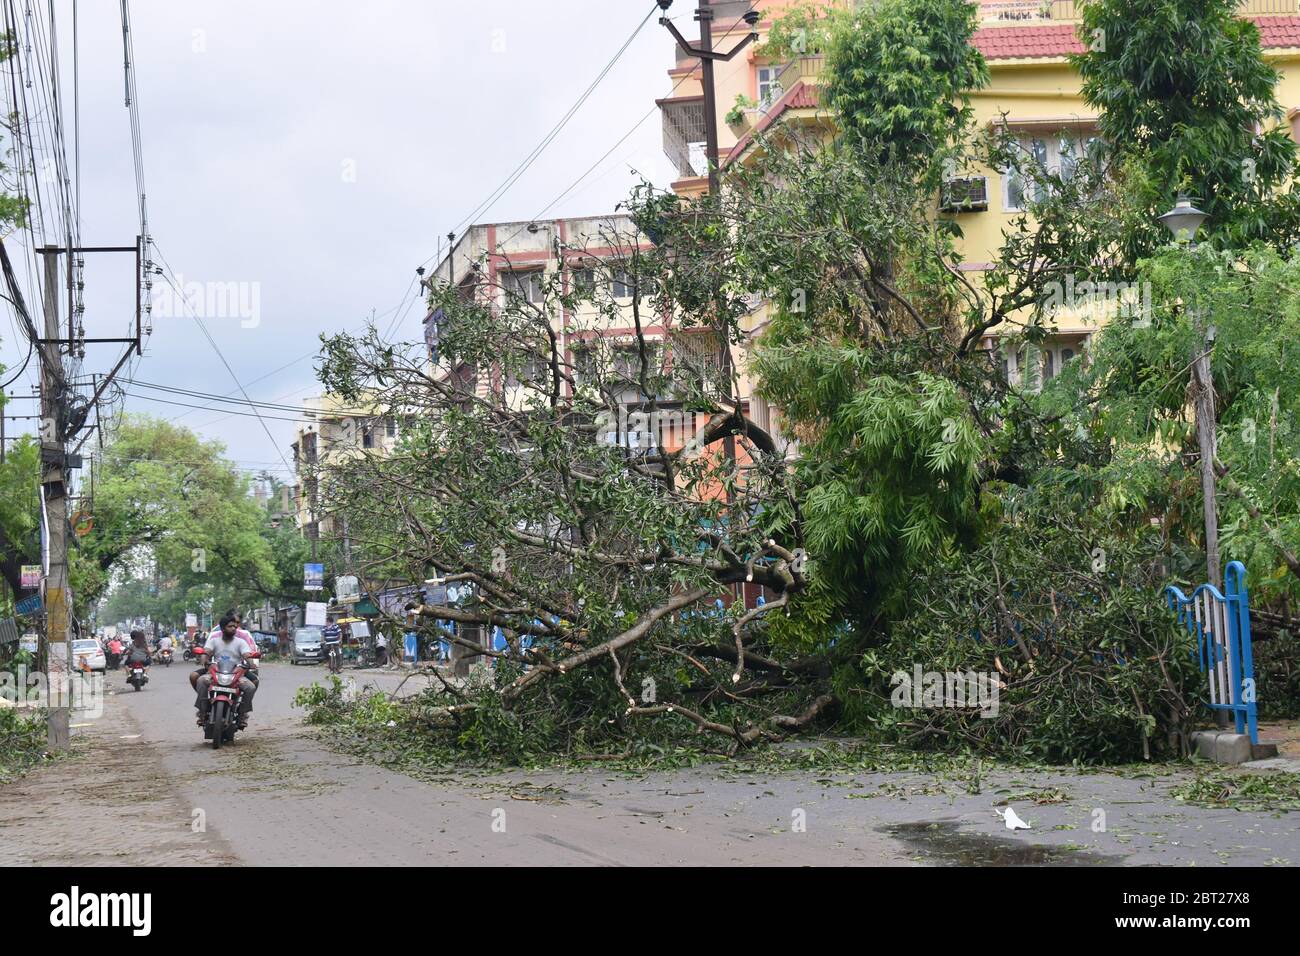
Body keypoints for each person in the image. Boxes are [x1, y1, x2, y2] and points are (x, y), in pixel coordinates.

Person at [194, 614, 257, 729]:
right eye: (230, 626)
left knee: (251, 687)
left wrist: (251, 663)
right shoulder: (214, 641)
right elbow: (206, 652)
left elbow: (247, 655)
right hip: (216, 673)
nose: (234, 628)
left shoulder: (241, 642)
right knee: (201, 681)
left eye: (234, 626)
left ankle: (242, 715)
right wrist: (204, 660)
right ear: (223, 628)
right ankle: (202, 712)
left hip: (236, 675)